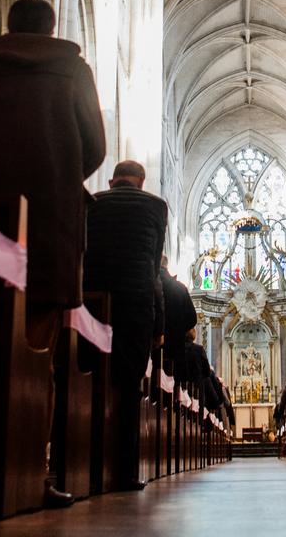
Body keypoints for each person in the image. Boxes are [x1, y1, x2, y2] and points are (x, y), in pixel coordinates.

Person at [0, 0, 104, 508]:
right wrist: (54, 179)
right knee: (38, 356)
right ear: (52, 28)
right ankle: (26, 477)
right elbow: (95, 146)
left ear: (9, 27)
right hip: (49, 231)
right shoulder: (74, 73)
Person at [82, 160, 168, 490]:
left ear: (112, 180)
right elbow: (153, 266)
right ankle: (124, 472)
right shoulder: (156, 207)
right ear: (142, 183)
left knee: (88, 375)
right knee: (129, 385)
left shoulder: (94, 201)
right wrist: (157, 323)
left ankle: (82, 461)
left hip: (92, 299)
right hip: (135, 301)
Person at [160, 255, 198, 378]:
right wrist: (178, 329)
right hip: (174, 348)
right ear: (167, 266)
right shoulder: (180, 288)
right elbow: (192, 319)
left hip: (152, 344)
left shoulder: (150, 281)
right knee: (174, 383)